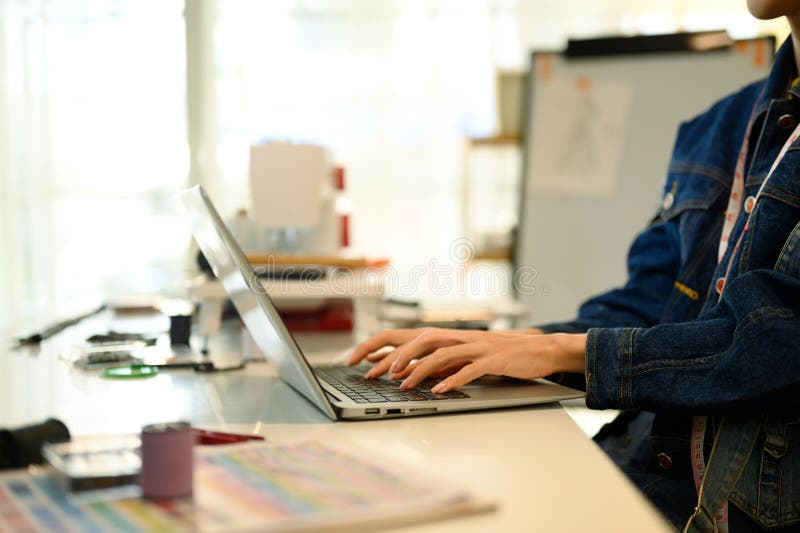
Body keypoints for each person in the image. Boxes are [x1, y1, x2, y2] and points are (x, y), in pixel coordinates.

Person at [348, 2, 800, 531]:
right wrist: (510, 347)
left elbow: (777, 340)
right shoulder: (719, 126)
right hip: (636, 473)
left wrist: (562, 350)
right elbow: (652, 302)